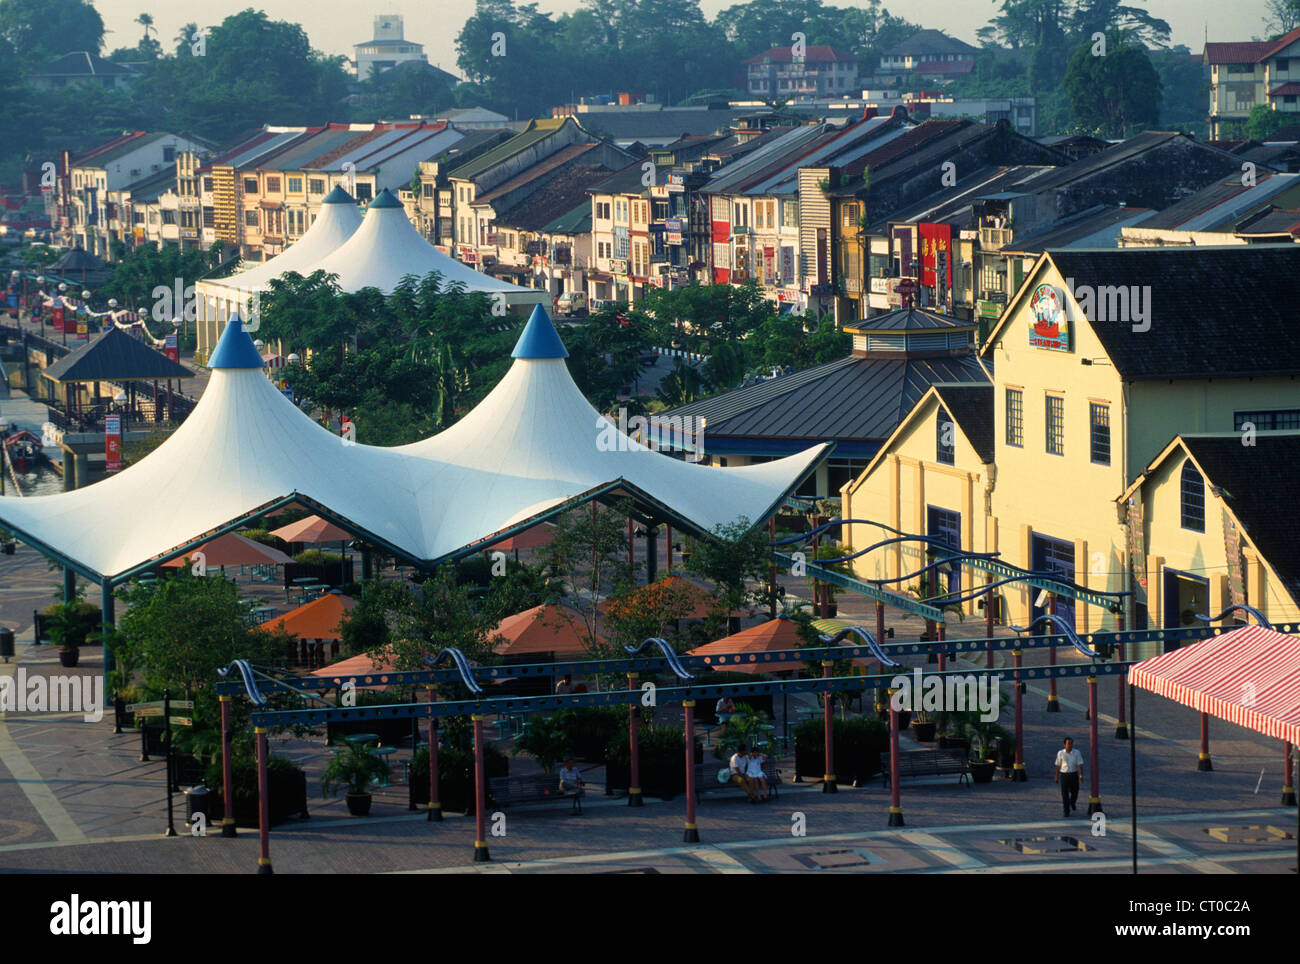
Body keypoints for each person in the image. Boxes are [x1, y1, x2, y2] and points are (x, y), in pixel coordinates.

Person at [1054, 736, 1084, 817]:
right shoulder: (1060, 753)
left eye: (1071, 743)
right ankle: (1066, 810)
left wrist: (1081, 775)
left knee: (1075, 792)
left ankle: (1072, 802)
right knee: (1064, 794)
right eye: (1068, 743)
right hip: (1064, 775)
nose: (1070, 745)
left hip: (1073, 774)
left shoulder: (1077, 752)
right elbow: (1058, 765)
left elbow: (1079, 764)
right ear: (1064, 744)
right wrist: (1056, 777)